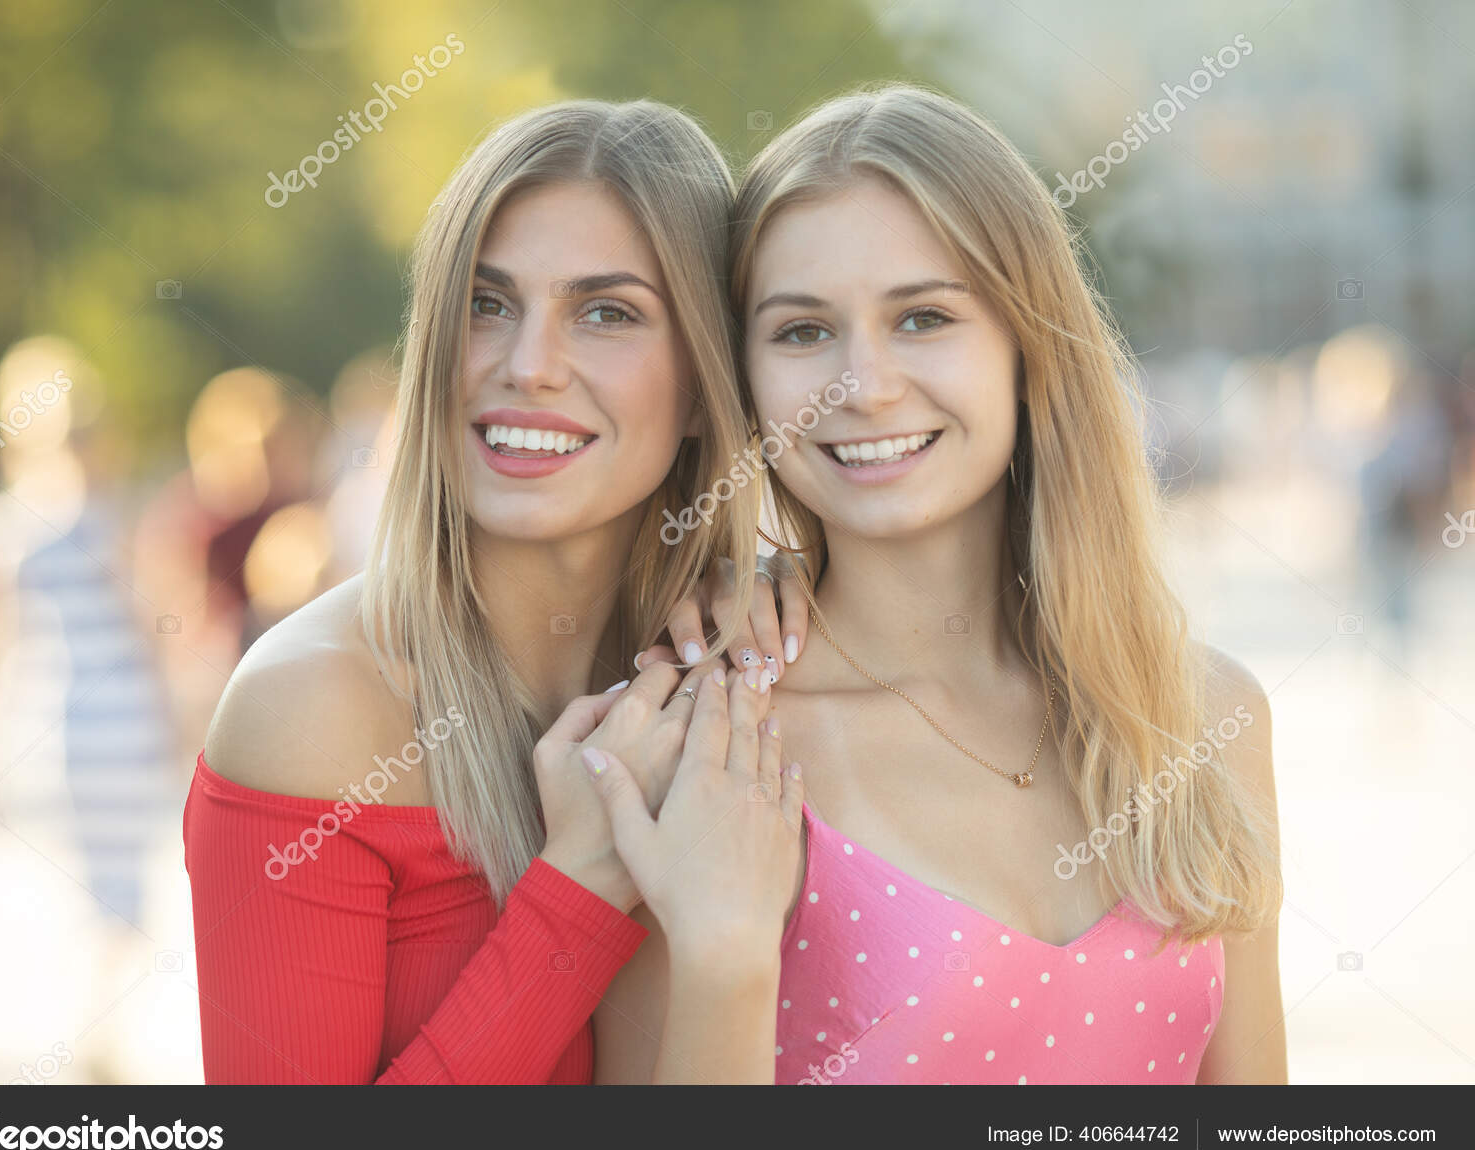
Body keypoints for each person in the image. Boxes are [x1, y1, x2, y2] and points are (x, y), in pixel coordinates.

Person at [594, 85, 1286, 1085]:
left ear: (1025, 344)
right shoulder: (697, 749)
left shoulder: (1205, 715)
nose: (862, 384)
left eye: (922, 317)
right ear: (740, 379)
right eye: (800, 332)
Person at [183, 99, 793, 1083]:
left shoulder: (736, 674)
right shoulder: (312, 709)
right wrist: (584, 886)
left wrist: (790, 579)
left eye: (607, 312)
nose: (528, 366)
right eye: (486, 301)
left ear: (704, 384)